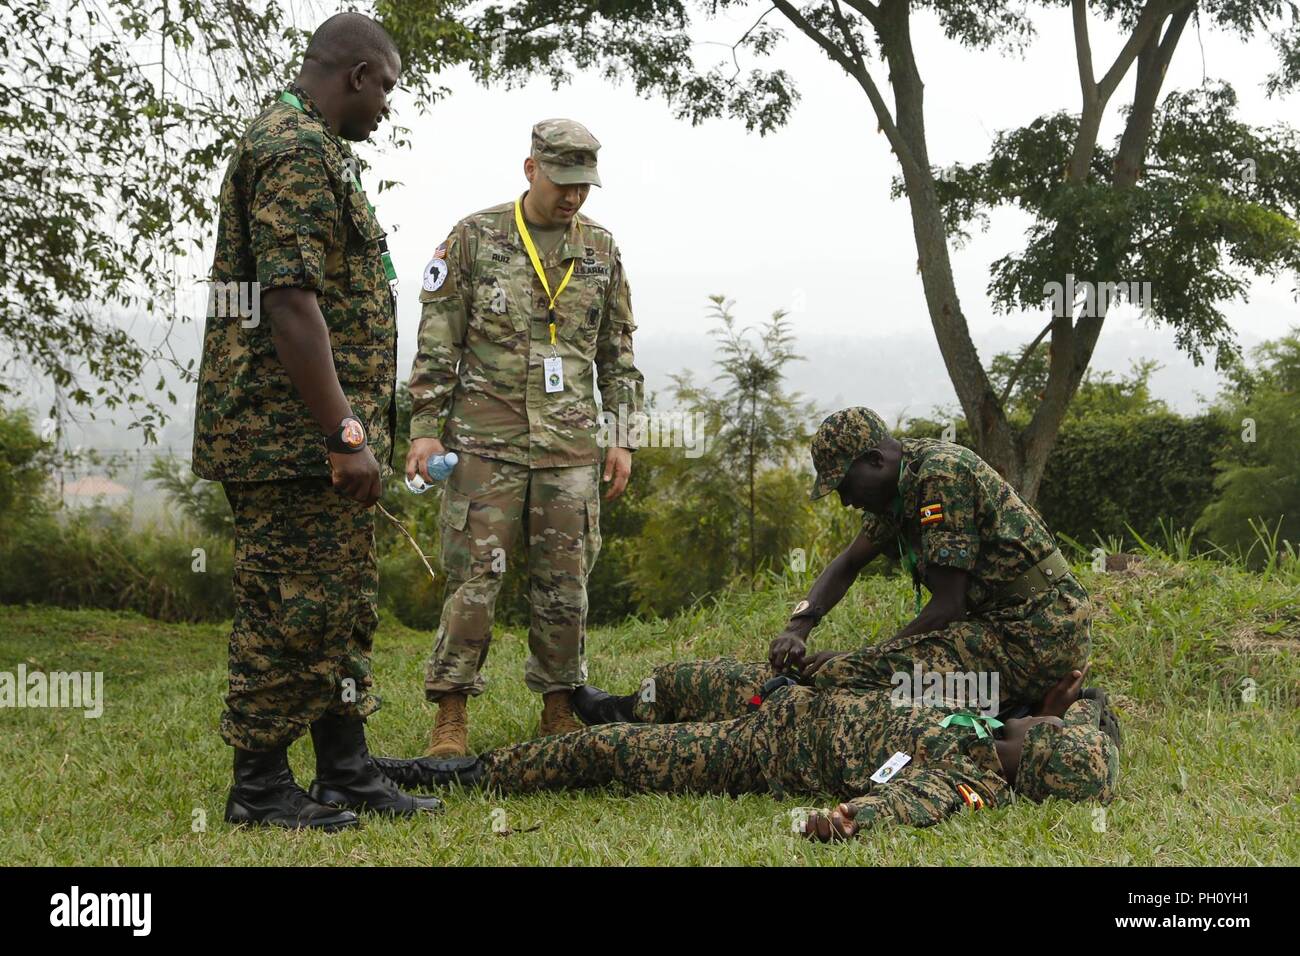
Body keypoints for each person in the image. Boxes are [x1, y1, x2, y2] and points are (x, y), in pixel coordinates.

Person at [192, 11, 440, 830]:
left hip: (311, 441)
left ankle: (345, 768)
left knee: (336, 602)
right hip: (289, 439)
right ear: (358, 76)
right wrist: (344, 434)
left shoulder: (315, 147)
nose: (389, 109)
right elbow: (289, 301)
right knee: (287, 606)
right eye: (389, 90)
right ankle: (260, 786)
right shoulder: (292, 148)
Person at [404, 118, 644, 757]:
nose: (573, 197)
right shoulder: (473, 239)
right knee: (475, 580)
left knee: (566, 583)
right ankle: (450, 718)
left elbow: (618, 350)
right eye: (562, 182)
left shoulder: (600, 249)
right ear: (531, 168)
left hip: (569, 448)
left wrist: (620, 435)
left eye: (584, 185)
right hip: (485, 445)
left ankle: (559, 709)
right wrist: (425, 432)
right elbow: (437, 342)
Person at [372, 663, 1119, 841]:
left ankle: (463, 773)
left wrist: (844, 819)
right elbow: (1096, 712)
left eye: (1045, 734)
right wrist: (1075, 704)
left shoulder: (966, 777)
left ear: (1038, 762)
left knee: (611, 754)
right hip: (786, 697)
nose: (1040, 724)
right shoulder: (989, 726)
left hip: (759, 750)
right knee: (680, 679)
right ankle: (624, 698)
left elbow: (904, 804)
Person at [763, 406, 1092, 714]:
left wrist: (866, 658)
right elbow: (849, 563)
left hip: (1034, 636)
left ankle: (1049, 716)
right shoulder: (903, 479)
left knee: (852, 675)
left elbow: (948, 607)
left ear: (875, 460)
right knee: (868, 673)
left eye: (846, 487)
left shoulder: (939, 477)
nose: (847, 501)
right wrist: (797, 628)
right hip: (1005, 627)